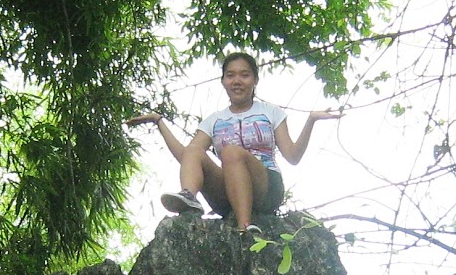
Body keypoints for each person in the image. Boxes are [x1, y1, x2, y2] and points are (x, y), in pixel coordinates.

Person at [125, 52, 342, 234]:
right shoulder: (213, 120)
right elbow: (188, 158)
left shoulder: (270, 112)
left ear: (255, 80)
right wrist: (159, 122)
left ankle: (245, 229)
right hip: (228, 192)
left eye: (244, 75)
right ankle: (189, 196)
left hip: (265, 187)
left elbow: (293, 156)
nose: (237, 81)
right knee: (195, 149)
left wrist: (311, 120)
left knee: (230, 153)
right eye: (230, 76)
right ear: (223, 81)